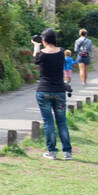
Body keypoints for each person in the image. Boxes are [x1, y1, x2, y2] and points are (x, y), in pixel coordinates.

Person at [35, 29, 72, 160]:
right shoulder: (61, 52)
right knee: (62, 122)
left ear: (44, 41)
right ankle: (67, 152)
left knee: (48, 122)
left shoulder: (41, 54)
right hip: (59, 91)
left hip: (43, 91)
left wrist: (36, 45)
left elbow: (36, 60)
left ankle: (52, 151)